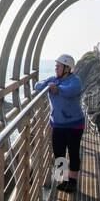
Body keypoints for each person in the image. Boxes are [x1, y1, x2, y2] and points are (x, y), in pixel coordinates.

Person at [34, 53, 84, 193]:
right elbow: (38, 86)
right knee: (58, 153)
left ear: (67, 68)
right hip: (57, 124)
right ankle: (62, 179)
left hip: (74, 124)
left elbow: (71, 91)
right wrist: (48, 84)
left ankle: (72, 181)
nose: (55, 68)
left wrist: (58, 89)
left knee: (73, 152)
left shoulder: (75, 80)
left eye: (58, 66)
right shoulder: (54, 79)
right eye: (55, 66)